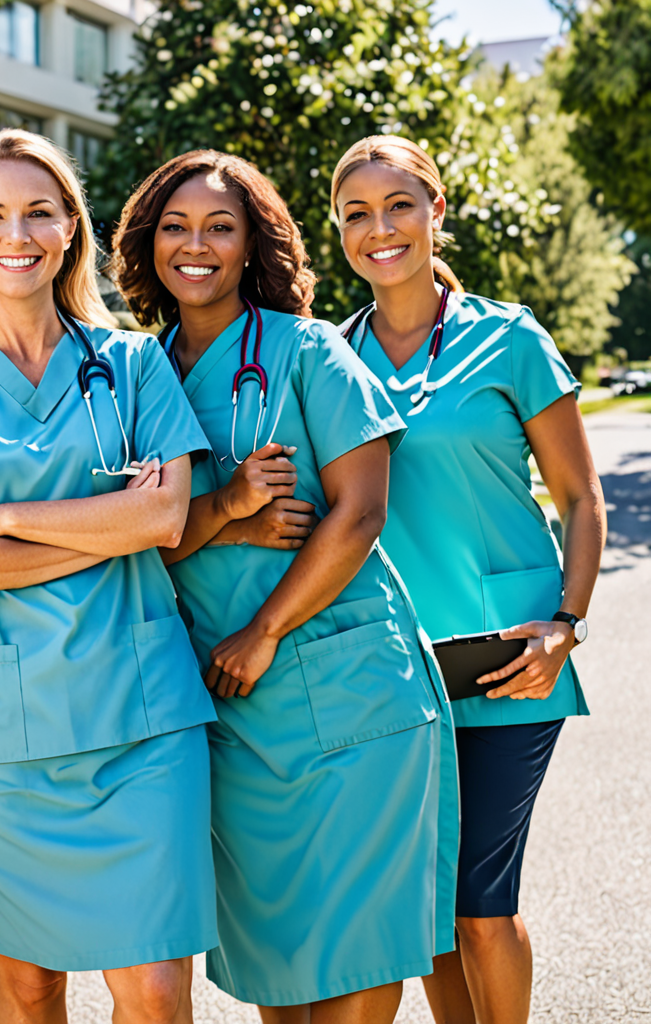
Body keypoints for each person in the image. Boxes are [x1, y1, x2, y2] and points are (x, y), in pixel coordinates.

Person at [111, 149, 459, 1024]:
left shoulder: (305, 351)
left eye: (221, 227)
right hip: (227, 715)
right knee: (276, 966)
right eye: (177, 227)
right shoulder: (130, 376)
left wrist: (264, 629)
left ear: (252, 245)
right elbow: (126, 543)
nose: (197, 246)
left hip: (350, 697)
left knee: (354, 953)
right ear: (148, 241)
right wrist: (229, 513)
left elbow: (361, 509)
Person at [0, 129, 217, 1024]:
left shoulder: (137, 364)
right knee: (27, 989)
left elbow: (165, 515)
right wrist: (107, 533)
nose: (16, 233)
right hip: (2, 743)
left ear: (71, 227)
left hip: (143, 726)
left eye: (40, 211)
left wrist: (6, 517)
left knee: (153, 988)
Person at [331, 135, 606, 1024]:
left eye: (399, 205)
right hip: (398, 670)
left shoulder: (510, 337)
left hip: (514, 655)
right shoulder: (332, 355)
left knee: (483, 909)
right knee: (433, 919)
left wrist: (567, 622)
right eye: (357, 214)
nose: (381, 229)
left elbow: (580, 494)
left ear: (436, 211)